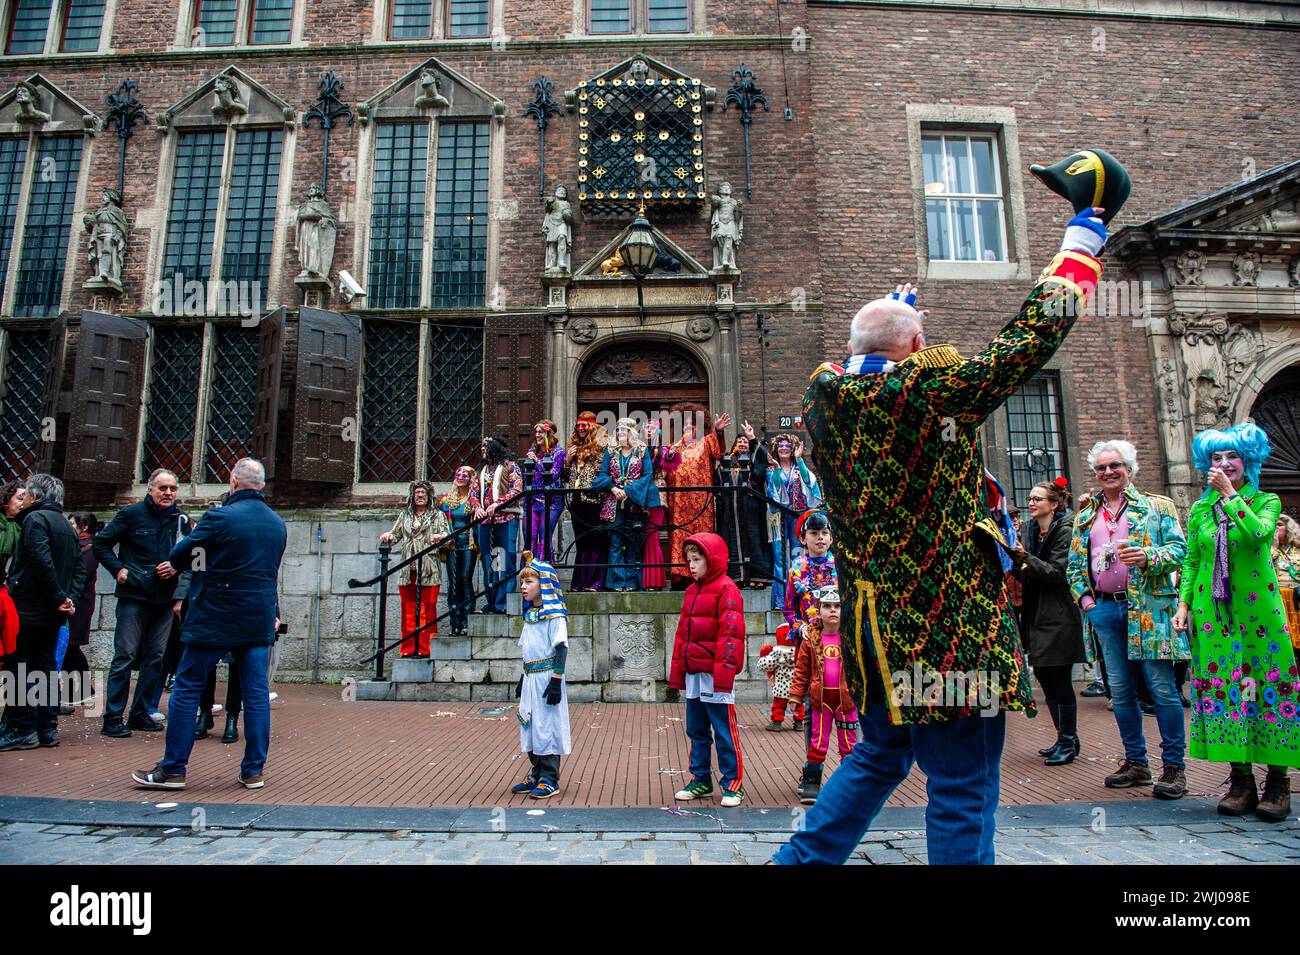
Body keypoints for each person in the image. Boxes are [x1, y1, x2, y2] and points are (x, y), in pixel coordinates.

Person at [773, 207, 1108, 866]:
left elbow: (872, 358)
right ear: (915, 350)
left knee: (880, 755)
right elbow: (1028, 340)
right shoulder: (935, 394)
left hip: (873, 633)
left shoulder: (826, 403)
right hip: (948, 637)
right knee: (960, 781)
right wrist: (1081, 247)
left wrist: (898, 320)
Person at [132, 458, 287, 791]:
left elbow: (179, 557)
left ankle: (173, 769)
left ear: (233, 483)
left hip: (215, 614)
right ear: (261, 486)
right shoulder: (277, 523)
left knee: (187, 688)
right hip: (257, 616)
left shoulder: (220, 517)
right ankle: (253, 770)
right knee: (256, 693)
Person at [1174, 423, 1297, 822]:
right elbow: (1193, 560)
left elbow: (1259, 536)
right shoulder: (1198, 511)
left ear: (1248, 462)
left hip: (1260, 615)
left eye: (1232, 458)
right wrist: (1183, 604)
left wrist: (1229, 496)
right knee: (1229, 691)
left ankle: (1278, 782)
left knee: (1266, 689)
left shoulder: (1266, 502)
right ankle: (1240, 780)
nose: (1224, 464)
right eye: (1216, 458)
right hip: (1216, 619)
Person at [1067, 439, 1189, 798]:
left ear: (1129, 469)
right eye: (1101, 468)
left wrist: (1149, 556)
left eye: (1114, 466)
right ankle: (1137, 762)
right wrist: (1087, 602)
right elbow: (1075, 566)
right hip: (1105, 608)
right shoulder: (1086, 515)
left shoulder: (1157, 507)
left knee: (1162, 689)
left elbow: (1181, 551)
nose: (1107, 472)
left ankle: (1174, 767)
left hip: (1149, 609)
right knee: (1120, 692)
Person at [93, 468, 192, 737]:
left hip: (164, 599)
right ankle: (113, 717)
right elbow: (100, 544)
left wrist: (175, 567)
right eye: (163, 488)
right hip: (134, 596)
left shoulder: (182, 519)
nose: (168, 493)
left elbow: (197, 558)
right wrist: (118, 570)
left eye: (173, 488)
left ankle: (139, 714)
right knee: (125, 656)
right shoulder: (131, 514)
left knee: (156, 658)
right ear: (150, 489)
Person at [0, 474, 85, 751]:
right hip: (51, 610)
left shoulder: (35, 521)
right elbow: (78, 568)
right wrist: (68, 598)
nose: (23, 501)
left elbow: (40, 561)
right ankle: (46, 727)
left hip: (30, 608)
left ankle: (20, 727)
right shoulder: (67, 527)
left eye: (26, 496)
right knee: (45, 667)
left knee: (20, 667)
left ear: (35, 497)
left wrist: (61, 597)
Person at [669, 532, 747, 808]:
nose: (691, 565)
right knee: (696, 729)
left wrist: (724, 675)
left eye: (697, 559)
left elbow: (731, 635)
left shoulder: (727, 589)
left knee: (724, 730)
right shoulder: (691, 591)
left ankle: (733, 782)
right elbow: (682, 634)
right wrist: (678, 670)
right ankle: (700, 777)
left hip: (715, 675)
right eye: (689, 560)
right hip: (695, 671)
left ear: (710, 560)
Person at [1010, 481, 1086, 766]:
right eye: (1030, 497)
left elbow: (1056, 573)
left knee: (1059, 678)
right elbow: (1026, 574)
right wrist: (1018, 561)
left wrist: (1023, 557)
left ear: (1054, 504)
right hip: (1034, 612)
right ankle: (1064, 736)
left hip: (1057, 614)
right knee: (1043, 675)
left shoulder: (1065, 529)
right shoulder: (1030, 530)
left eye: (1037, 499)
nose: (1031, 503)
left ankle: (1068, 740)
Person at [508, 551, 571, 799]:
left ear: (543, 584)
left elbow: (561, 647)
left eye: (529, 582)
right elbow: (529, 651)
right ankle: (536, 771)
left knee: (547, 725)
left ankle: (550, 777)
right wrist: (523, 678)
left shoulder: (554, 615)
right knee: (531, 723)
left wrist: (556, 680)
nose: (523, 586)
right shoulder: (531, 616)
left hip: (547, 678)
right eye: (523, 582)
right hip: (532, 676)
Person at [790, 587, 859, 804]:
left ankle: (849, 785)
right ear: (818, 610)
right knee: (818, 741)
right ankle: (811, 782)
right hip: (821, 700)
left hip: (846, 701)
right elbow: (801, 670)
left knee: (849, 745)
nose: (832, 611)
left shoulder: (851, 636)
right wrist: (795, 696)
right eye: (827, 606)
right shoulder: (811, 638)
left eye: (837, 606)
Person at [380, 480, 449, 656]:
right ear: (412, 496)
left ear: (429, 496)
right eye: (417, 493)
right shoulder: (405, 515)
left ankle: (426, 648)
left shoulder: (437, 515)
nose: (420, 496)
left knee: (428, 608)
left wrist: (440, 537)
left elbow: (449, 537)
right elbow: (395, 535)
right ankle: (408, 648)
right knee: (409, 609)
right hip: (408, 569)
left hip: (428, 567)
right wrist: (388, 535)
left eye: (423, 493)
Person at [664, 403, 729, 588]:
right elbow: (663, 469)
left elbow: (719, 452)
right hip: (679, 504)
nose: (688, 426)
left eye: (693, 422)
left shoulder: (707, 441)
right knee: (679, 538)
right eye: (685, 423)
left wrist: (719, 431)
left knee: (701, 538)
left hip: (701, 503)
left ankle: (702, 576)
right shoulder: (674, 447)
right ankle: (679, 577)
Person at [590, 417, 659, 591]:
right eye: (618, 430)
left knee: (633, 542)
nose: (619, 433)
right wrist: (613, 488)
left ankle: (632, 583)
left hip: (635, 503)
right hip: (613, 503)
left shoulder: (642, 450)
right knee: (615, 542)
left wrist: (628, 490)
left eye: (622, 430)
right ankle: (617, 583)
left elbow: (648, 475)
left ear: (630, 433)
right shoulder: (611, 451)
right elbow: (602, 474)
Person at [767, 433, 822, 612]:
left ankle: (798, 597)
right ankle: (780, 601)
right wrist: (776, 470)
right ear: (776, 449)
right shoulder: (771, 469)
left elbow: (809, 483)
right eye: (780, 446)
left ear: (793, 449)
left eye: (788, 446)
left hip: (798, 515)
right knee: (779, 557)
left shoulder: (800, 468)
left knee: (798, 555)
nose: (784, 448)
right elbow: (772, 492)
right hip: (777, 519)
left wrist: (799, 461)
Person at [715, 420, 773, 588]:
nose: (742, 443)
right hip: (731, 510)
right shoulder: (727, 464)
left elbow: (764, 461)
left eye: (745, 441)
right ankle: (736, 576)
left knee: (754, 540)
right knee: (731, 540)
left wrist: (752, 437)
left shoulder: (754, 460)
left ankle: (757, 577)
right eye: (739, 440)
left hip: (752, 510)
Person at [470, 436, 523, 614]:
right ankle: (491, 601)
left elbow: (516, 489)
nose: (483, 450)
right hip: (485, 521)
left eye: (486, 446)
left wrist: (498, 504)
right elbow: (473, 492)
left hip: (506, 520)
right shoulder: (481, 470)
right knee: (488, 562)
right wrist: (477, 507)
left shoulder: (510, 466)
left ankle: (504, 602)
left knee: (504, 561)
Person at [565, 412, 609, 592]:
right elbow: (565, 478)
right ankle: (579, 582)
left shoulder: (602, 446)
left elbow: (607, 473)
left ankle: (596, 582)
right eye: (579, 426)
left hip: (595, 499)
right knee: (581, 541)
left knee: (596, 540)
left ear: (592, 427)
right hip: (577, 501)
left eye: (585, 426)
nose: (581, 429)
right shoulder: (574, 448)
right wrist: (568, 460)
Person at [63, 512, 100, 708]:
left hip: (81, 603)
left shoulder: (90, 549)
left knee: (71, 645)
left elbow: (80, 573)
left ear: (83, 527)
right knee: (69, 646)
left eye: (71, 523)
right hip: (75, 601)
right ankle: (76, 691)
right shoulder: (76, 547)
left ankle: (82, 690)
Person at [783, 510, 838, 634]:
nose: (820, 537)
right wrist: (801, 627)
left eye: (825, 533)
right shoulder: (795, 572)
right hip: (808, 637)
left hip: (837, 636)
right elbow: (789, 609)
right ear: (803, 539)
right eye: (814, 533)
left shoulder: (839, 569)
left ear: (831, 538)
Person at [641, 419, 680, 591]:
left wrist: (671, 454)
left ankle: (654, 580)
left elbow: (668, 466)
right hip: (641, 495)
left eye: (652, 428)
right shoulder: (640, 449)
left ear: (658, 431)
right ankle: (649, 579)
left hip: (657, 494)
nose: (649, 430)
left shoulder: (663, 450)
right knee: (644, 535)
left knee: (652, 534)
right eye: (646, 428)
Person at [439, 467, 476, 636]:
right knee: (453, 583)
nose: (461, 477)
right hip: (452, 545)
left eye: (465, 475)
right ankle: (455, 622)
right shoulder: (446, 502)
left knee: (465, 579)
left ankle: (468, 621)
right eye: (458, 475)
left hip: (468, 544)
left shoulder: (474, 500)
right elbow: (440, 522)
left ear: (471, 479)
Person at [525, 421, 566, 562]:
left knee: (544, 537)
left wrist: (536, 461)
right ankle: (529, 573)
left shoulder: (559, 453)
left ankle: (545, 573)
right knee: (529, 537)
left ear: (549, 434)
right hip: (532, 500)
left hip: (551, 501)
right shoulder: (533, 451)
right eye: (536, 432)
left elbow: (553, 475)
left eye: (540, 432)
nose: (537, 435)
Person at [0, 481, 26, 679]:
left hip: (5, 589)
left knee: (11, 633)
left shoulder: (21, 527)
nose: (23, 502)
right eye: (19, 497)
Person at [756, 622, 803, 732]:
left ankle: (776, 723)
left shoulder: (776, 653)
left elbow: (767, 664)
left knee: (778, 705)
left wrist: (763, 657)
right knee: (798, 704)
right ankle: (799, 722)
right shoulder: (800, 651)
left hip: (781, 686)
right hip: (796, 686)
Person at [1274, 513, 1300, 652]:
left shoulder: (1297, 549)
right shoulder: (1267, 550)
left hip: (1297, 598)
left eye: (1279, 525)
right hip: (1279, 599)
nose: (1276, 528)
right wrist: (1273, 548)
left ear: (1289, 528)